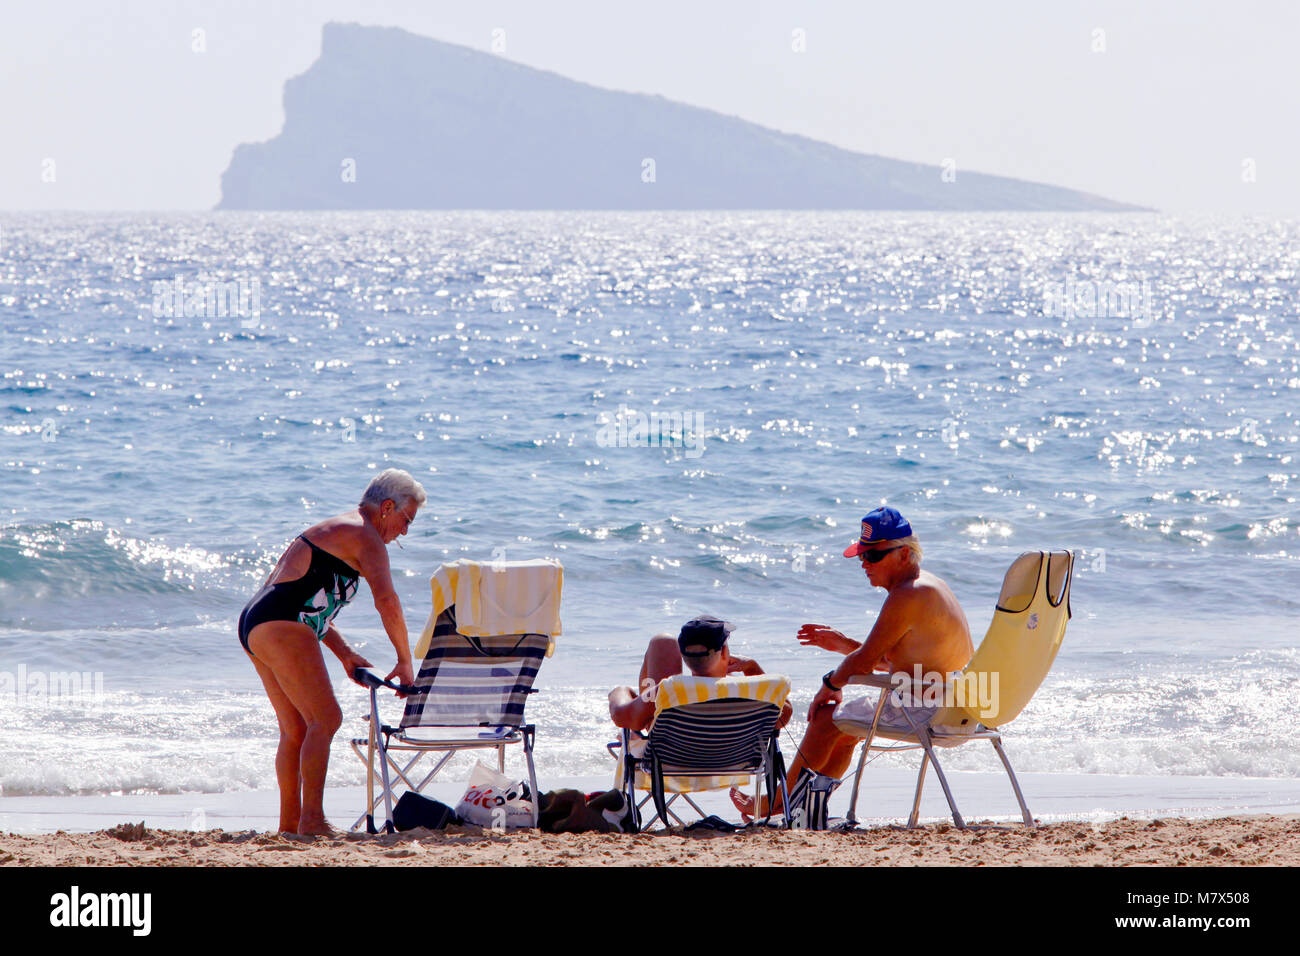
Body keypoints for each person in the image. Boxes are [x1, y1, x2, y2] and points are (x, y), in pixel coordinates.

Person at [731, 506, 973, 818]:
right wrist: (845, 645)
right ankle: (808, 802)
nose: (863, 563)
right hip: (956, 708)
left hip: (928, 712)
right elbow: (908, 665)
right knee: (845, 729)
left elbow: (865, 663)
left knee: (827, 717)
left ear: (904, 554)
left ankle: (778, 801)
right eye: (861, 556)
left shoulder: (907, 594)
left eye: (873, 556)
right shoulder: (929, 585)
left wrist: (830, 684)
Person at [237, 468, 426, 835]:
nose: (405, 531)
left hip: (258, 623)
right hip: (282, 624)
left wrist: (344, 654)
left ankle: (290, 826)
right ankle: (313, 821)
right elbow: (387, 601)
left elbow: (304, 601)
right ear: (387, 507)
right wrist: (405, 661)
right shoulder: (365, 535)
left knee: (295, 729)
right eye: (406, 520)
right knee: (326, 719)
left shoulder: (337, 529)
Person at [609, 615, 792, 733]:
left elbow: (624, 718)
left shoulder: (670, 690)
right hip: (735, 765)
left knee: (662, 642)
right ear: (725, 653)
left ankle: (645, 707)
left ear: (682, 656)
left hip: (673, 763)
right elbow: (785, 715)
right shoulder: (754, 691)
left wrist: (620, 691)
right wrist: (751, 668)